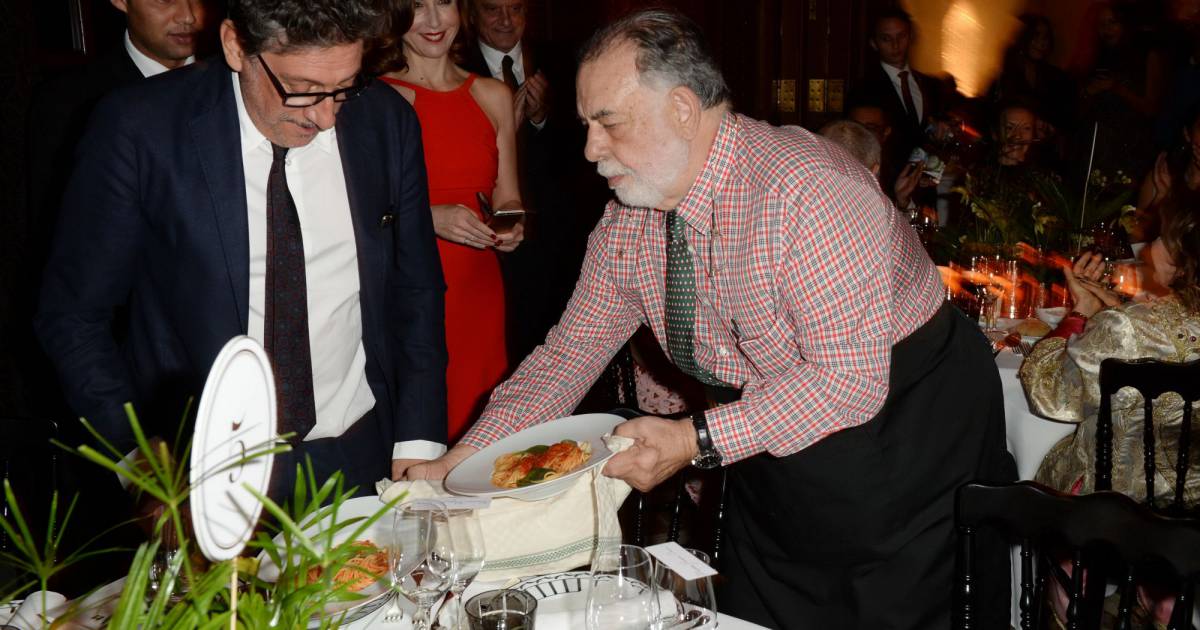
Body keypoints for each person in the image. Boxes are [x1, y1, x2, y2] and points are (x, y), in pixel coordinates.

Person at [406, 9, 1014, 628]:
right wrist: (461, 463)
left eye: (607, 122)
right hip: (766, 431)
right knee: (760, 608)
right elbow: (568, 354)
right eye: (587, 125)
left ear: (681, 109)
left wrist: (693, 440)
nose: (590, 149)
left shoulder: (809, 191)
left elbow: (847, 381)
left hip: (908, 433)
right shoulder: (630, 223)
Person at [35, 0, 448, 500]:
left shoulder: (386, 122)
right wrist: (138, 458)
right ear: (236, 46)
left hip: (360, 454)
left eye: (344, 87)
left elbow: (416, 290)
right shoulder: (141, 128)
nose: (325, 118)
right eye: (301, 89)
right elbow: (74, 316)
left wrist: (418, 442)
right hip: (199, 472)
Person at [1019, 194, 1200, 626]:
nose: (1150, 245)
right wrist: (1117, 310)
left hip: (1122, 505)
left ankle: (1071, 586)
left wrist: (1079, 315)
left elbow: (1051, 395)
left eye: (1160, 237)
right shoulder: (1130, 322)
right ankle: (1160, 594)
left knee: (1044, 470)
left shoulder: (1126, 328)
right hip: (1194, 501)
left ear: (1181, 258)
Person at [371, 0, 523, 444]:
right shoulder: (375, 98)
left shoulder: (493, 95)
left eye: (444, 3)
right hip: (410, 290)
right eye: (418, 6)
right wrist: (428, 217)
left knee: (480, 433)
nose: (435, 21)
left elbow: (507, 193)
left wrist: (510, 225)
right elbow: (359, 212)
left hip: (479, 290)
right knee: (422, 429)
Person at [460, 0, 578, 365]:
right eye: (493, 10)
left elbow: (582, 156)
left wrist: (542, 119)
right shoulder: (454, 66)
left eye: (516, 9)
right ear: (472, 15)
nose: (506, 21)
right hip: (492, 240)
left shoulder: (560, 60)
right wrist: (501, 132)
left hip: (557, 241)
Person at [852, 8, 946, 192]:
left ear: (910, 37)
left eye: (901, 36)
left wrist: (934, 174)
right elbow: (859, 143)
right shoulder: (864, 90)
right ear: (874, 43)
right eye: (886, 39)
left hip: (926, 186)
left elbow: (936, 137)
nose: (895, 45)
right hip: (885, 187)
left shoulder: (931, 86)